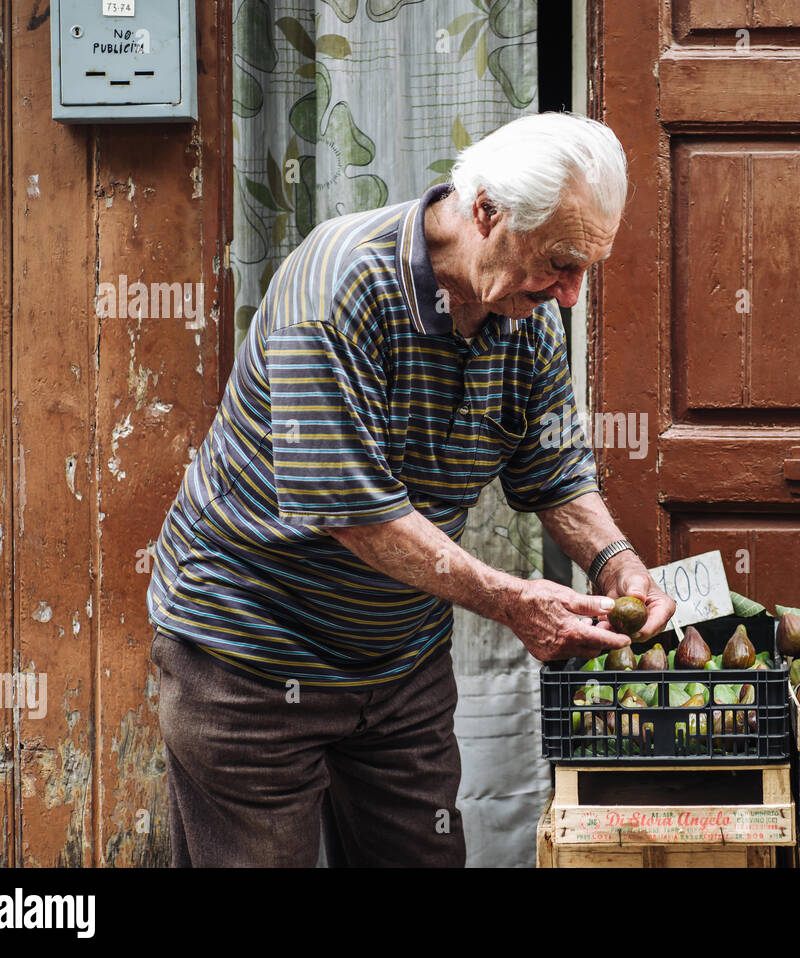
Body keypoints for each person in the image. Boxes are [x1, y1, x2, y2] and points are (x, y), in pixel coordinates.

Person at [146, 112, 674, 867]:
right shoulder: (339, 287)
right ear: (486, 211)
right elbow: (357, 516)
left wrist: (615, 561)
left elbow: (554, 470)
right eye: (561, 262)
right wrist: (511, 600)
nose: (571, 295)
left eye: (587, 267)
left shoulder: (523, 317)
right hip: (250, 661)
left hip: (399, 667)